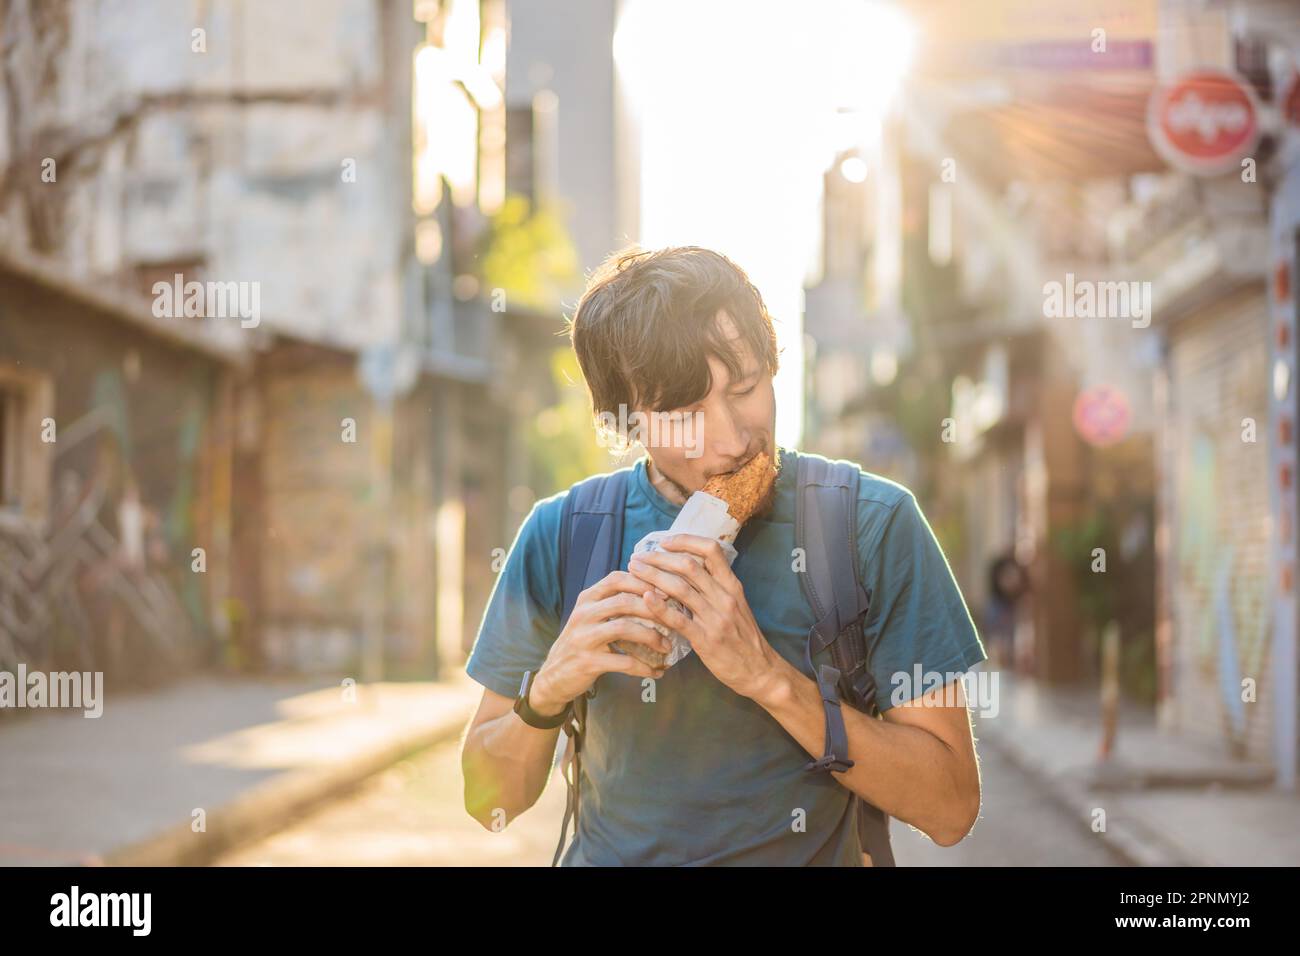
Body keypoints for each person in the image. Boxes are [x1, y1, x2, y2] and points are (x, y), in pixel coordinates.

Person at [460, 246, 986, 865]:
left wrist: (767, 677)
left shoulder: (869, 525)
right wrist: (549, 689)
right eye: (685, 416)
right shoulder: (564, 533)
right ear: (625, 419)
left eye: (746, 388)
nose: (735, 440)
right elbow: (487, 801)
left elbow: (950, 809)